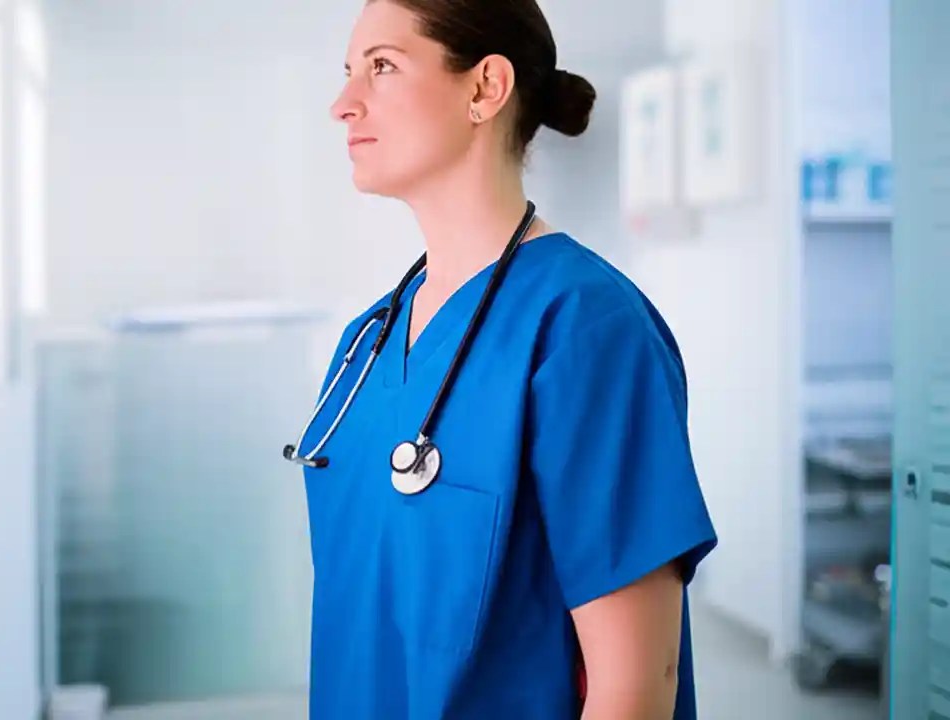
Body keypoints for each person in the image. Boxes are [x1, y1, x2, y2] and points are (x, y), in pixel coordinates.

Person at [288, 1, 718, 717]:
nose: (343, 103)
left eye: (382, 67)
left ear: (485, 88)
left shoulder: (585, 330)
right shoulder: (367, 343)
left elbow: (638, 683)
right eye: (349, 71)